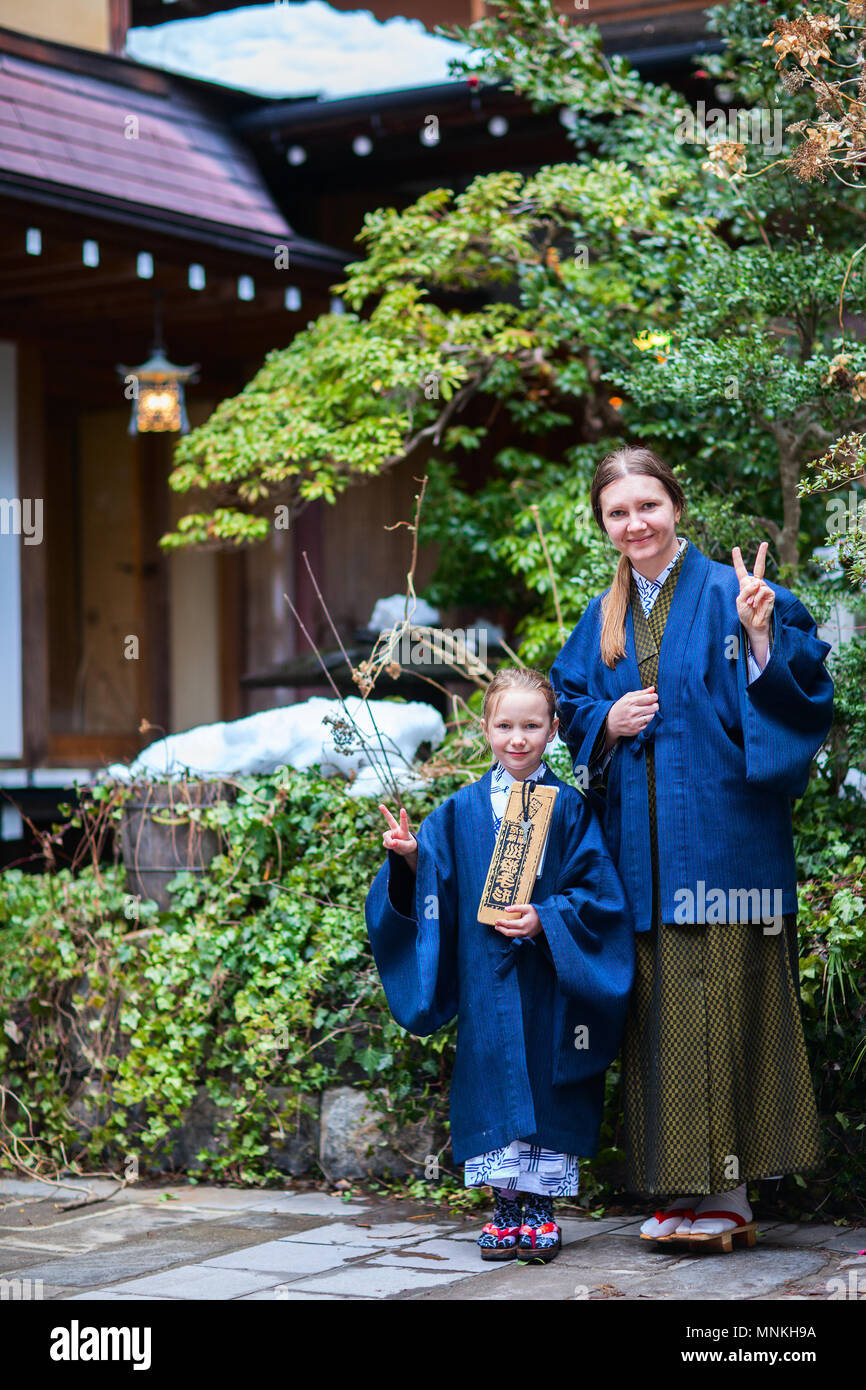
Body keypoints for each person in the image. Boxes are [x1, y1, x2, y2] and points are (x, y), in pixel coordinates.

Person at [549, 445, 834, 1239]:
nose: (634, 522)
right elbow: (567, 698)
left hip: (724, 846)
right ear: (603, 525)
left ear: (676, 505)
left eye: (648, 505)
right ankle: (678, 1193)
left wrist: (760, 638)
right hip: (639, 853)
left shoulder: (731, 591)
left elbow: (807, 690)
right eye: (618, 512)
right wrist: (604, 721)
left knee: (726, 1005)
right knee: (661, 1014)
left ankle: (732, 1198)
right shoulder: (604, 614)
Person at [364, 667, 634, 1262]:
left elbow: (598, 894)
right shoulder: (457, 812)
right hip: (487, 977)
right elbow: (436, 887)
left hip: (548, 978)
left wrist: (547, 917)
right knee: (492, 1083)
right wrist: (411, 860)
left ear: (553, 729)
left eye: (532, 726)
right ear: (484, 728)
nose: (518, 738)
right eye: (505, 725)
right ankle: (505, 1207)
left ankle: (541, 1210)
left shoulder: (567, 808)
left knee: (547, 1079)